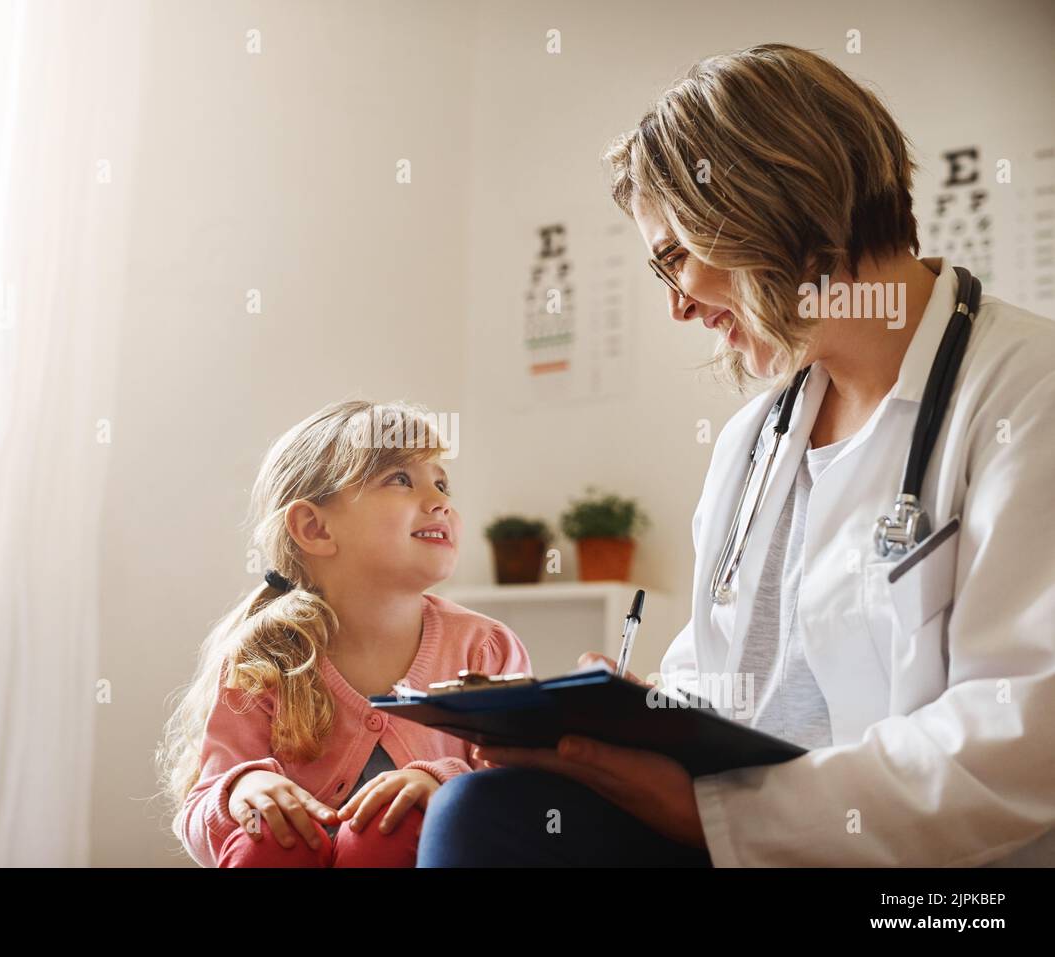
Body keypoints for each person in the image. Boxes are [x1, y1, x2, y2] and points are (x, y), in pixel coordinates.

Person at [417, 43, 1055, 867]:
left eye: (675, 257)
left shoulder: (1024, 392)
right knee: (489, 811)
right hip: (735, 832)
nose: (679, 306)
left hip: (928, 881)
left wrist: (718, 817)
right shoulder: (756, 442)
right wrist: (643, 714)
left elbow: (1025, 736)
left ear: (766, 201)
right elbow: (730, 678)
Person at [159, 399, 533, 867]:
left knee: (390, 830)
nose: (440, 500)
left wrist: (440, 782)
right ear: (314, 528)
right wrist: (240, 790)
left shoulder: (485, 648)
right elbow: (200, 806)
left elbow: (521, 790)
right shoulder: (265, 656)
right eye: (400, 479)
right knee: (267, 841)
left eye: (441, 483)